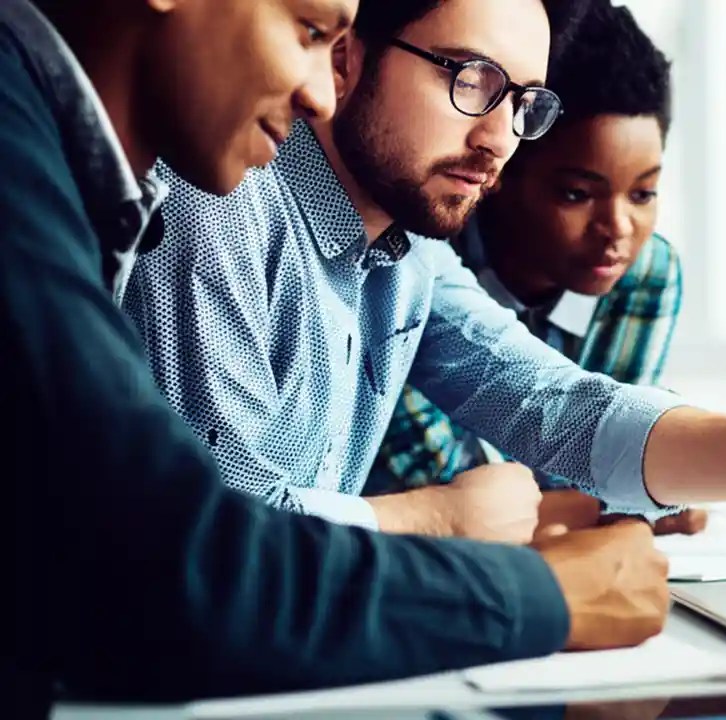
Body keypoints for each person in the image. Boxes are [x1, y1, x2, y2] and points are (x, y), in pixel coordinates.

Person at [122, 0, 726, 582]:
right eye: (469, 80)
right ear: (350, 56)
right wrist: (435, 520)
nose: (498, 139)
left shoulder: (409, 253)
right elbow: (219, 539)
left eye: (523, 103)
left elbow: (564, 408)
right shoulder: (217, 205)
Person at [1, 0, 670, 716]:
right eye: (313, 31)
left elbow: (552, 400)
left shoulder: (407, 250)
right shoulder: (167, 195)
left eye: (521, 103)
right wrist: (531, 585)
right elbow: (186, 567)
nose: (322, 92)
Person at [372, 0, 707, 536]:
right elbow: (437, 485)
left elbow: (614, 454)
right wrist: (616, 501)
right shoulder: (416, 250)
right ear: (502, 168)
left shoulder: (647, 272)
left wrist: (621, 489)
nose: (618, 229)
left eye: (643, 193)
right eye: (576, 194)